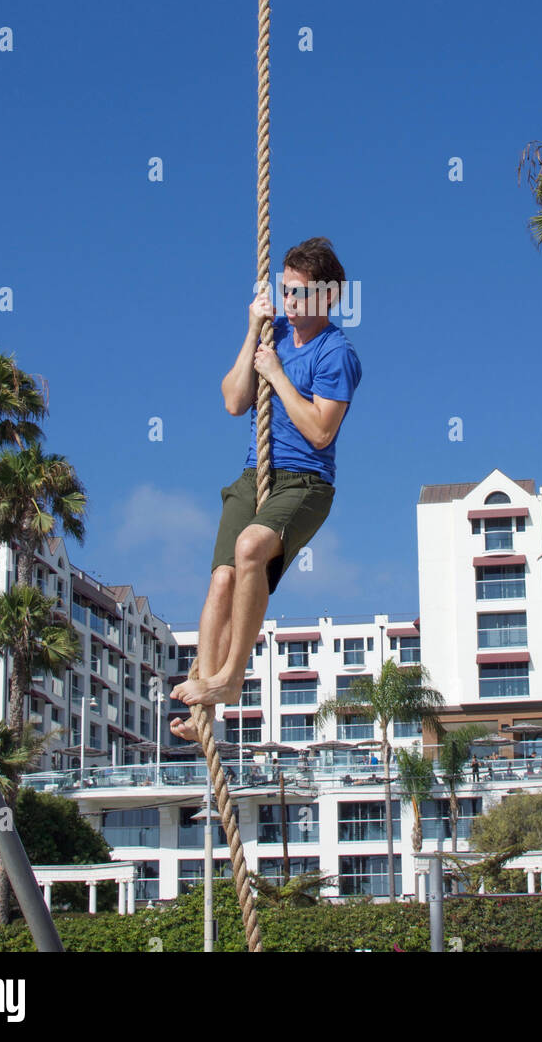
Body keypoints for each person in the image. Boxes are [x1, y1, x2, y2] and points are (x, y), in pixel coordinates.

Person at [171, 237, 362, 740]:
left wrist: (276, 375)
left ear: (328, 297)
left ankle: (231, 679)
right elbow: (235, 401)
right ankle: (203, 710)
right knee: (221, 581)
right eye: (285, 290)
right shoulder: (271, 333)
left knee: (251, 546)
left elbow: (321, 431)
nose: (289, 301)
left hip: (306, 483)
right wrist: (253, 331)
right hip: (254, 474)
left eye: (299, 293)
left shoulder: (336, 353)